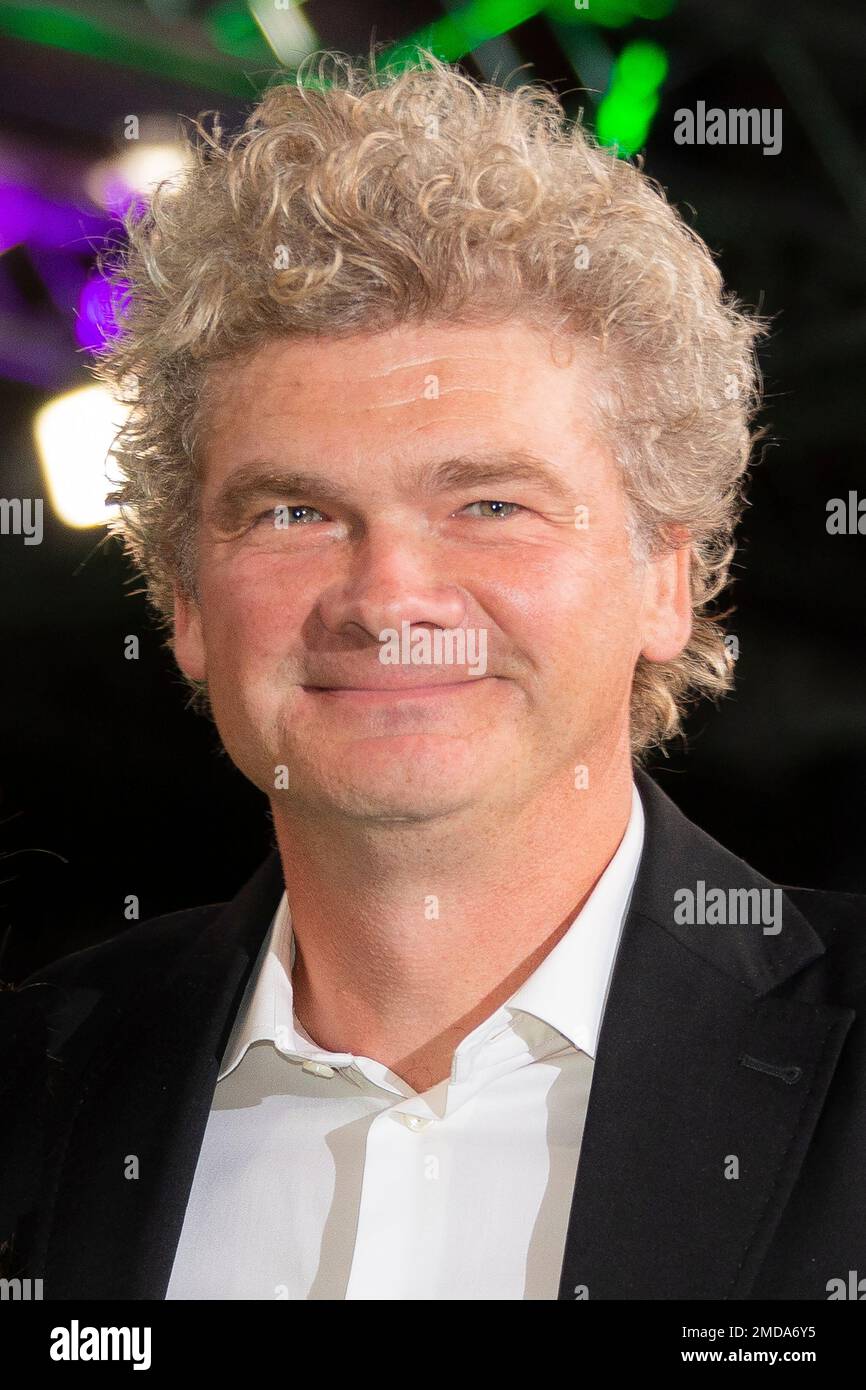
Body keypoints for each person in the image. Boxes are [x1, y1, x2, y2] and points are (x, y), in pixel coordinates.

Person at [2, 49, 864, 1301]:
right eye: (293, 511)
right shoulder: (31, 1086)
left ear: (663, 580)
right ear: (184, 601)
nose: (388, 595)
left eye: (490, 502)